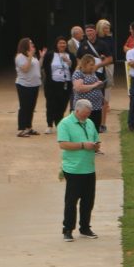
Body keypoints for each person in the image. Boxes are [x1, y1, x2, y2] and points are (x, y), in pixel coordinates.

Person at [58, 98, 102, 242]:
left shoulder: (89, 123)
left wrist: (96, 146)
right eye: (84, 114)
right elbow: (63, 144)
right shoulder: (65, 124)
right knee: (71, 201)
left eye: (88, 114)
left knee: (88, 201)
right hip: (73, 169)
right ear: (76, 111)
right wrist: (83, 145)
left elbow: (96, 139)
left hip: (89, 168)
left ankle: (85, 227)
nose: (86, 116)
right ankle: (67, 229)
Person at [41, 36, 74, 132]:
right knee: (51, 104)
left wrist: (68, 61)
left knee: (62, 104)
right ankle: (49, 125)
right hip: (52, 84)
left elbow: (74, 67)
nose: (62, 45)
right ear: (56, 44)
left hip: (65, 84)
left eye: (64, 43)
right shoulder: (50, 54)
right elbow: (45, 68)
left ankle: (59, 123)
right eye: (60, 43)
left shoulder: (70, 55)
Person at [14, 37, 42, 137]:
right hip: (24, 85)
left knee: (31, 107)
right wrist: (30, 57)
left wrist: (41, 57)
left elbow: (37, 67)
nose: (33, 45)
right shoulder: (20, 57)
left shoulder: (33, 57)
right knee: (24, 106)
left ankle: (29, 127)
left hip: (34, 85)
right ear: (25, 45)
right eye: (31, 43)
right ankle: (21, 129)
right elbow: (25, 69)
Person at [71, 54, 105, 132]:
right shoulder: (78, 73)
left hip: (96, 107)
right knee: (83, 130)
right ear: (84, 64)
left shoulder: (92, 73)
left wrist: (99, 84)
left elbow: (93, 84)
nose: (93, 67)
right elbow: (78, 88)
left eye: (93, 65)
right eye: (91, 65)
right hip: (84, 108)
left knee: (95, 130)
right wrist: (94, 85)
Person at [94, 19, 116, 131]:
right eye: (105, 28)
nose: (107, 30)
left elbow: (113, 54)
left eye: (108, 27)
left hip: (108, 66)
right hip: (96, 67)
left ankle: (103, 122)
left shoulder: (110, 39)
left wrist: (106, 58)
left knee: (106, 91)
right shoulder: (95, 39)